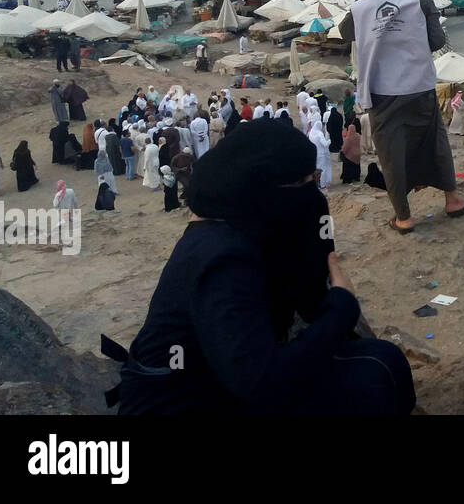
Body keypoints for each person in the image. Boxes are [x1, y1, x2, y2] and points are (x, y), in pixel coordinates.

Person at [113, 120, 413, 414]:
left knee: (382, 361)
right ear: (262, 187)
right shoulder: (222, 258)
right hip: (190, 401)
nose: (312, 195)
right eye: (301, 183)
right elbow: (262, 384)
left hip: (223, 384)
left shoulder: (240, 224)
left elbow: (305, 300)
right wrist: (341, 307)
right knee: (371, 380)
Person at [337, 0, 464, 233]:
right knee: (434, 142)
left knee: (390, 153)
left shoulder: (362, 7)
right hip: (419, 84)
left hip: (381, 92)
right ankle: (452, 199)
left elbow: (345, 32)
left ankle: (403, 217)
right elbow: (438, 41)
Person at [309, 120, 332, 190]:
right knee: (323, 169)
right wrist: (329, 141)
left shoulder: (311, 133)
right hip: (321, 154)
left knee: (316, 169)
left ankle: (316, 183)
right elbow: (325, 144)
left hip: (314, 153)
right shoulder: (319, 134)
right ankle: (323, 184)